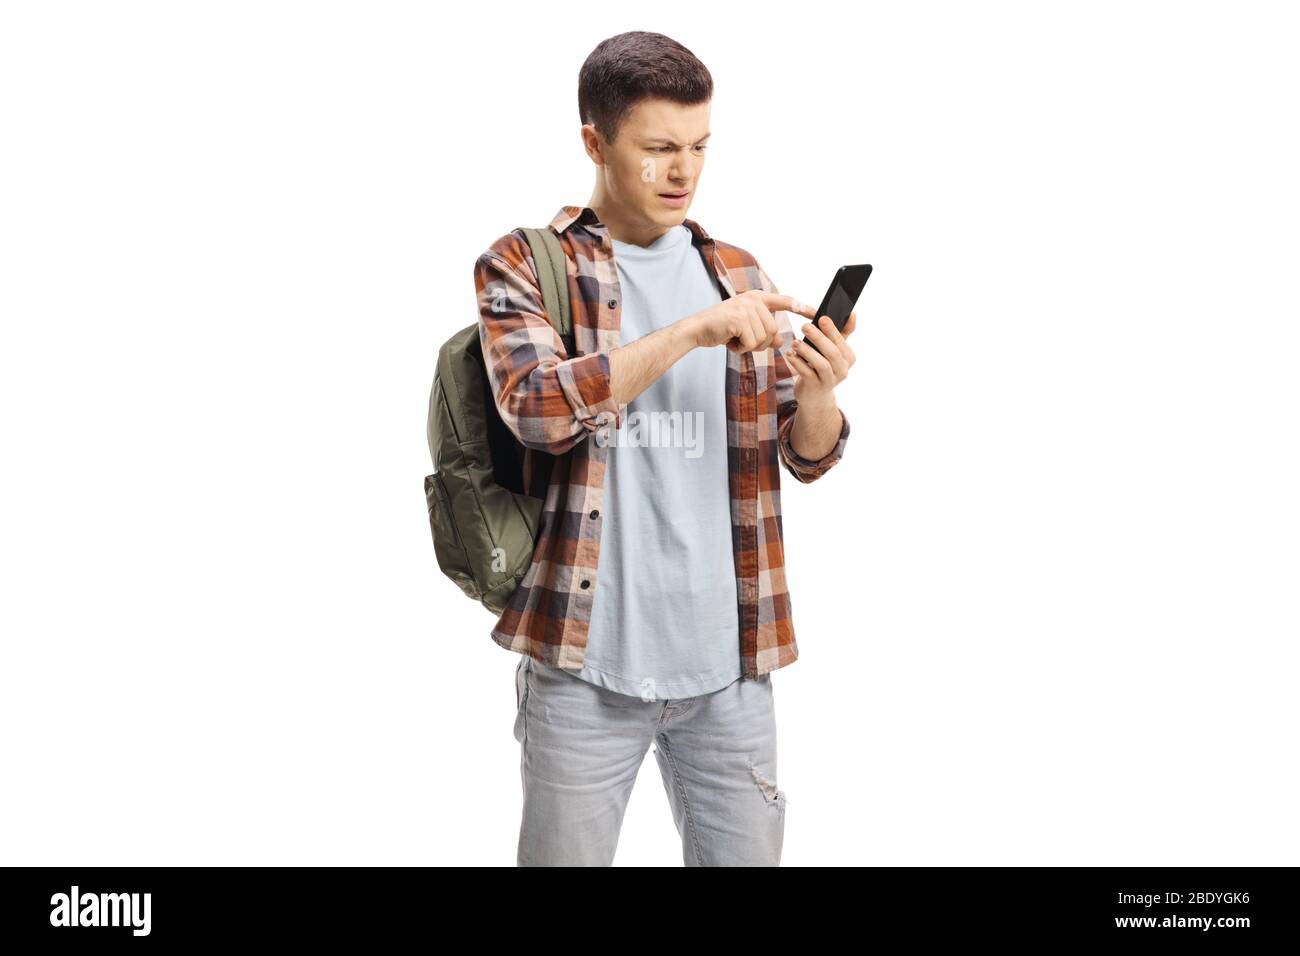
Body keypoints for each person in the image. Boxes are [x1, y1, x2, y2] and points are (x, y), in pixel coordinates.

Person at [474, 30, 856, 866]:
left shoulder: (740, 275)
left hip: (732, 668)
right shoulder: (525, 267)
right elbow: (538, 410)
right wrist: (687, 334)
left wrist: (820, 392)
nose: (683, 172)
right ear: (595, 143)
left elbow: (807, 455)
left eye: (698, 147)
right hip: (584, 667)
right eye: (657, 149)